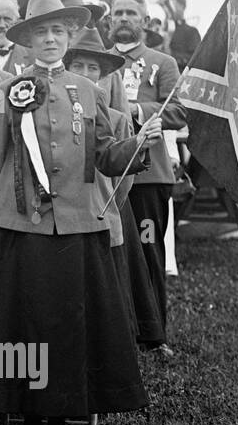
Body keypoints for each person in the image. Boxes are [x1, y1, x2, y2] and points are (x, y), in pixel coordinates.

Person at [0, 0, 158, 425]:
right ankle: (28, 418)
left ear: (70, 37)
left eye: (58, 32)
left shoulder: (88, 92)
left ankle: (60, 420)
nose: (51, 39)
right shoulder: (6, 93)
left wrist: (138, 145)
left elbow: (106, 156)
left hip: (77, 223)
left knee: (69, 322)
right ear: (29, 41)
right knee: (25, 321)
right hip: (21, 224)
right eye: (42, 33)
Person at [64, 26, 165, 349]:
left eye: (93, 69)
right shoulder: (52, 112)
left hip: (101, 213)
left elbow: (123, 184)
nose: (85, 75)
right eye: (77, 67)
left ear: (106, 77)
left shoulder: (118, 119)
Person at [109, 0, 187, 343]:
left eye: (131, 13)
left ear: (144, 21)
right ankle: (115, 331)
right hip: (104, 175)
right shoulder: (97, 63)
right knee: (110, 254)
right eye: (117, 13)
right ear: (109, 20)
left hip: (147, 176)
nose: (123, 18)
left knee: (147, 248)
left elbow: (178, 111)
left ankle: (153, 333)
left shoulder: (162, 62)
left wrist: (137, 110)